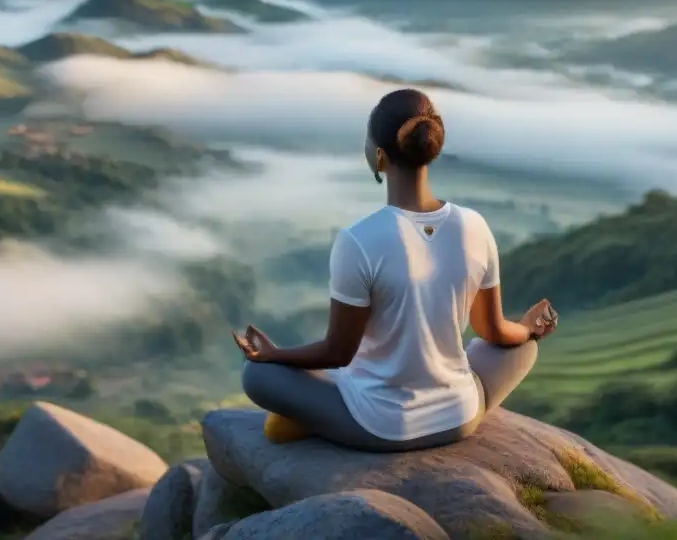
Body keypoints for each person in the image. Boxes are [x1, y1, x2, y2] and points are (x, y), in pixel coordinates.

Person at [234, 88, 557, 452]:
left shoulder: (357, 240)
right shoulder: (475, 225)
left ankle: (317, 419)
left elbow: (338, 353)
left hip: (384, 426)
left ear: (379, 156)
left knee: (257, 375)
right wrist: (528, 329)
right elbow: (493, 330)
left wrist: (274, 355)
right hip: (459, 417)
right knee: (523, 348)